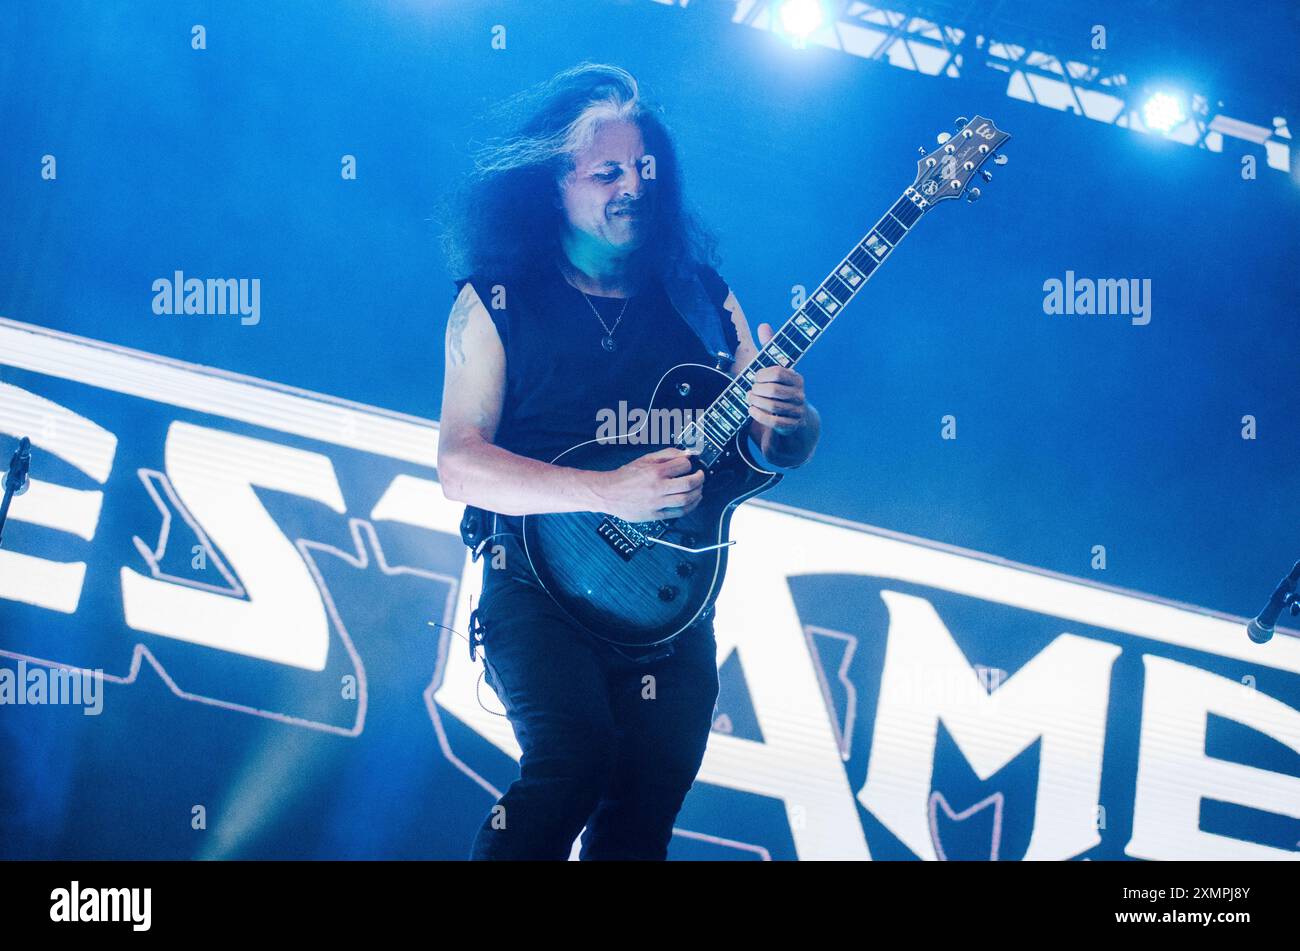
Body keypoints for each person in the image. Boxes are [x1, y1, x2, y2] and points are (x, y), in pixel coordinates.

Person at [437, 62, 820, 860]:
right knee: (570, 766)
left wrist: (791, 421)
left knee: (644, 808)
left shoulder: (700, 295)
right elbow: (460, 464)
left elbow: (766, 445)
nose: (632, 187)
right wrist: (605, 490)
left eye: (644, 169)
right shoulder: (498, 299)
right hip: (536, 584)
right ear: (554, 186)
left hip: (673, 600)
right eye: (606, 171)